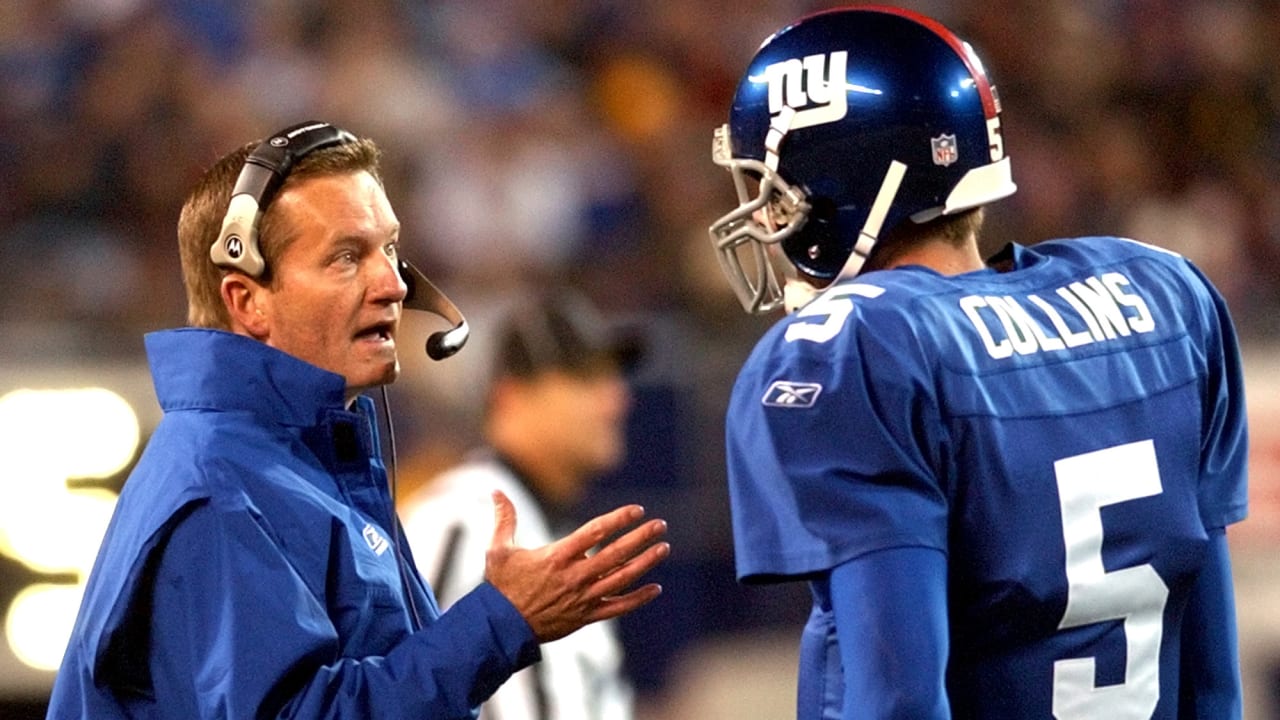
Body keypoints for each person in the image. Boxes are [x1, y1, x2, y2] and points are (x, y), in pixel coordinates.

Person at [708, 7, 1247, 720]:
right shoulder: (1165, 293)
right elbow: (1213, 682)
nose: (767, 220)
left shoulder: (857, 346)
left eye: (775, 193)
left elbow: (898, 698)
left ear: (844, 186)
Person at [45, 121, 669, 719]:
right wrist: (501, 620)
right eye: (346, 257)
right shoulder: (221, 489)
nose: (393, 284)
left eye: (389, 249)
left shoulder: (306, 467)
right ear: (246, 299)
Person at [400, 289, 644, 720]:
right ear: (511, 395)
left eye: (613, 379)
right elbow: (396, 689)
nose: (616, 400)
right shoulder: (457, 518)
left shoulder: (563, 537)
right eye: (585, 379)